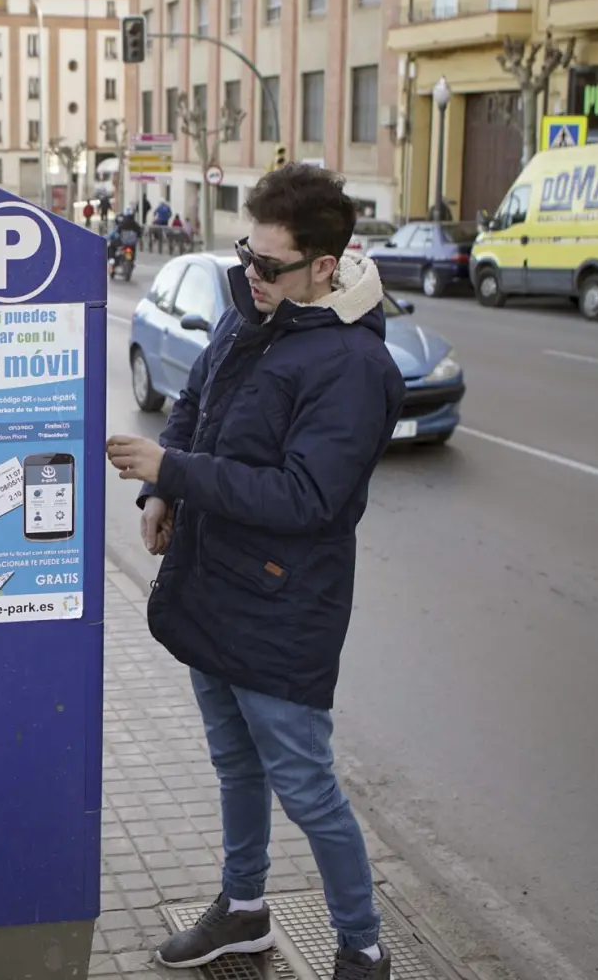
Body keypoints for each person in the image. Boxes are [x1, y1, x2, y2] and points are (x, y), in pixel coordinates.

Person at [105, 164, 405, 980]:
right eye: (247, 255)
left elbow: (307, 498)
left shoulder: (350, 364)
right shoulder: (253, 317)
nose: (251, 276)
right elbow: (195, 403)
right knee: (235, 765)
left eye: (270, 266)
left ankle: (363, 946)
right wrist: (158, 497)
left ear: (327, 266)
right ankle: (243, 909)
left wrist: (176, 473)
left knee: (306, 789)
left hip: (282, 607)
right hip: (214, 588)